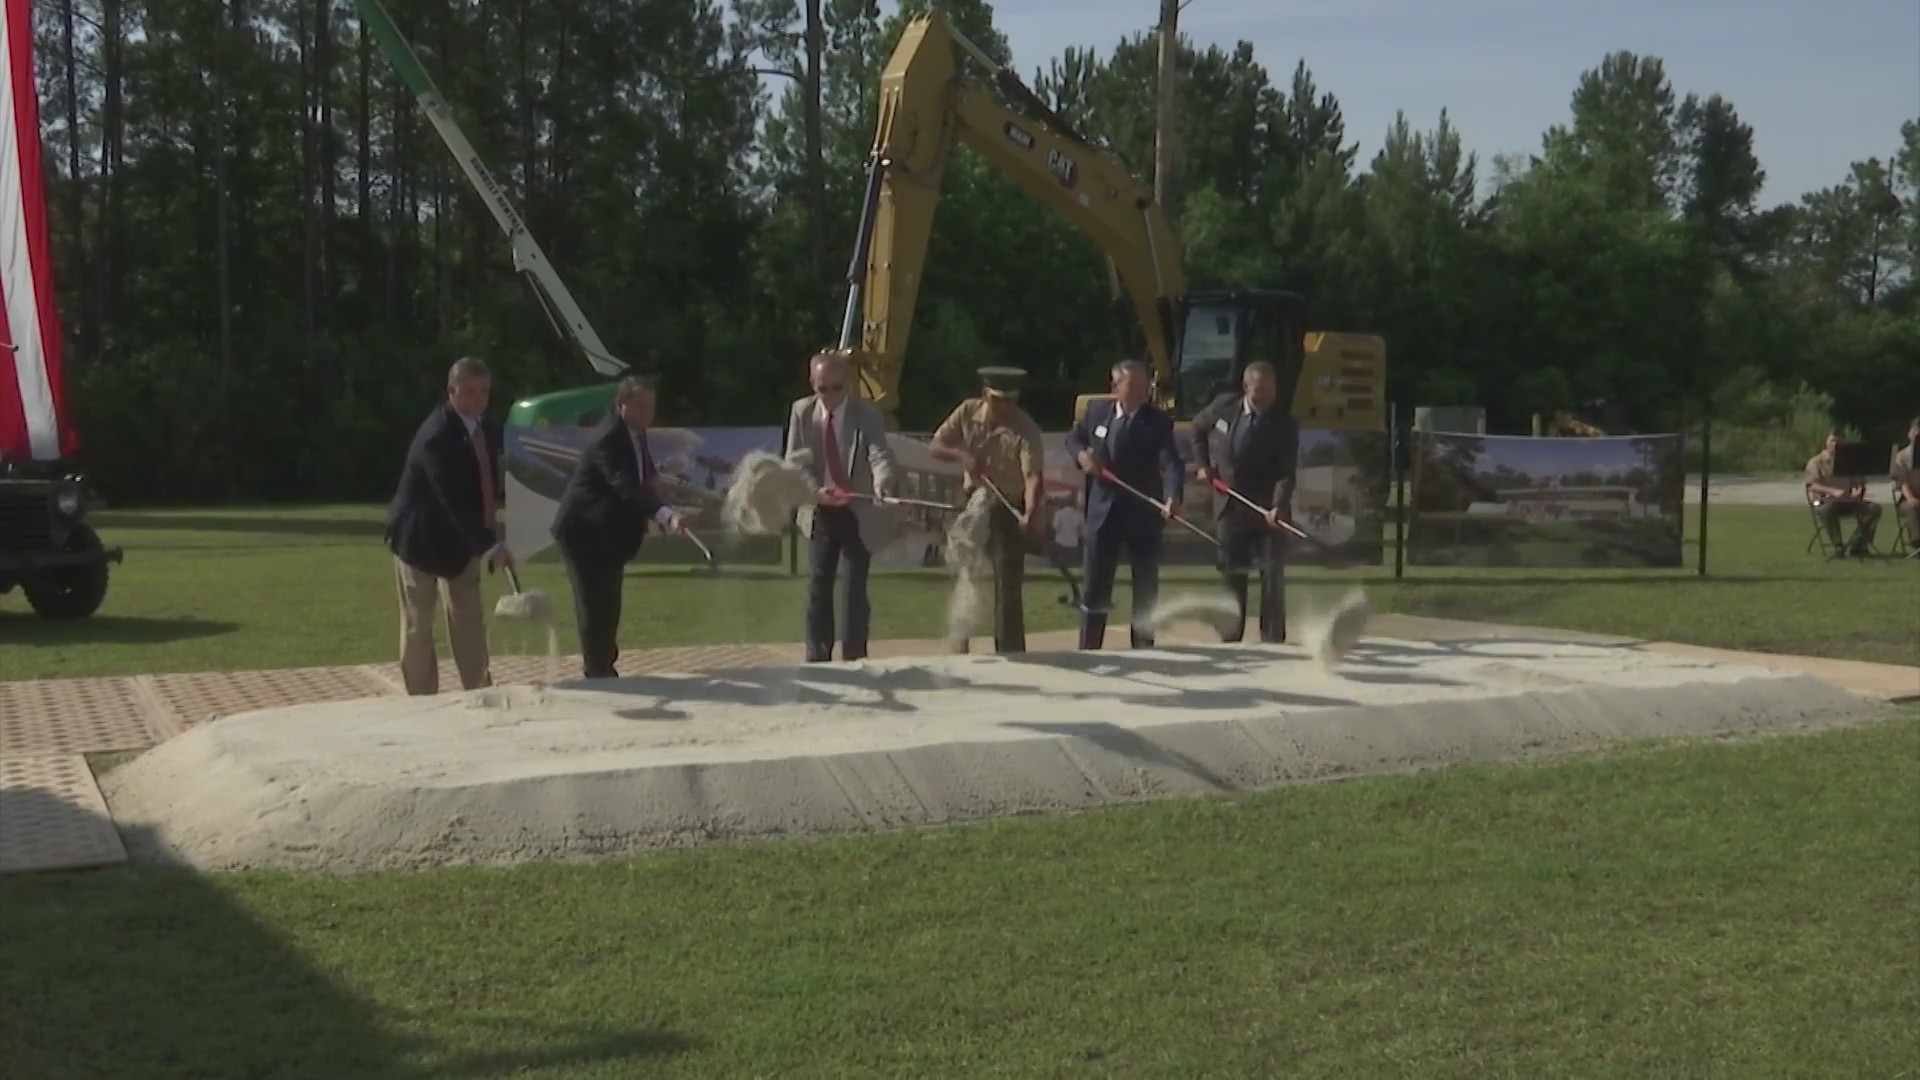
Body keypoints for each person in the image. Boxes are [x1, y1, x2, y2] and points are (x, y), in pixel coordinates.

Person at [383, 356, 514, 695]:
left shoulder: (488, 426)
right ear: (452, 391)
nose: (478, 399)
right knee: (418, 627)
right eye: (469, 392)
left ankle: (480, 691)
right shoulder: (436, 436)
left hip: (462, 544)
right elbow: (451, 501)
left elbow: (507, 470)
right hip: (420, 541)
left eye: (484, 391)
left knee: (469, 621)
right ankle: (422, 700)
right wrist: (490, 545)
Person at [550, 375, 690, 679]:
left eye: (651, 407)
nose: (647, 413)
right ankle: (597, 672)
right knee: (594, 605)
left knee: (609, 604)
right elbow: (626, 486)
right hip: (582, 533)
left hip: (608, 537)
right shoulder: (609, 437)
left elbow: (644, 475)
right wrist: (666, 515)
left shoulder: (636, 434)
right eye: (640, 406)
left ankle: (604, 665)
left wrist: (659, 493)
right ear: (621, 404)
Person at [785, 350, 899, 662]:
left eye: (837, 387)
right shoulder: (801, 412)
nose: (831, 395)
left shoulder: (867, 414)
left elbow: (879, 453)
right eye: (823, 388)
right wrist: (814, 491)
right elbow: (794, 463)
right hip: (820, 508)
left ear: (847, 383)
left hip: (857, 511)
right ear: (813, 384)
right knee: (819, 583)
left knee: (854, 587)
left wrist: (883, 481)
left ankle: (854, 654)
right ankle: (817, 653)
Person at [1065, 359, 1184, 650]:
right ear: (1116, 386)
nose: (1141, 392)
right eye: (1133, 386)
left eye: (1145, 387)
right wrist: (1082, 456)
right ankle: (1089, 650)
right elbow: (1074, 438)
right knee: (1094, 588)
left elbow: (1171, 463)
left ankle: (1143, 648)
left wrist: (1172, 495)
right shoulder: (1097, 412)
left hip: (1142, 516)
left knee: (1145, 588)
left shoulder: (1157, 422)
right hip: (1102, 513)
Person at [929, 366, 1046, 653]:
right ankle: (959, 644)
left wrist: (1030, 511)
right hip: (972, 503)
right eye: (998, 400)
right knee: (964, 574)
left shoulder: (1026, 427)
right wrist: (961, 455)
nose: (1005, 407)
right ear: (985, 395)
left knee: (1007, 582)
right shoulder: (968, 411)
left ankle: (1010, 651)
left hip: (1007, 508)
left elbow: (1032, 476)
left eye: (1011, 401)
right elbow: (936, 445)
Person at [1190, 361, 1300, 644]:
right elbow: (1197, 429)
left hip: (1267, 511)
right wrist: (1203, 465)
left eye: (1271, 389)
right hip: (1229, 506)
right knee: (1231, 575)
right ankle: (1231, 639)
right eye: (1261, 389)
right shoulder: (1224, 407)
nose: (1267, 395)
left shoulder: (1285, 423)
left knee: (1271, 577)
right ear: (1246, 387)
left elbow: (1286, 471)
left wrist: (1278, 505)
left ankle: (1273, 640)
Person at [1804, 427, 1881, 557]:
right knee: (1828, 508)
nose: (1836, 444)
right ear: (1826, 441)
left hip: (1847, 501)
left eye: (1839, 441)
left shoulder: (1850, 461)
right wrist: (1832, 491)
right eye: (1833, 440)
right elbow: (1812, 485)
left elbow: (1860, 483)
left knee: (1874, 508)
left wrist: (1859, 491)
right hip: (1821, 501)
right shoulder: (1816, 462)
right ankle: (1838, 546)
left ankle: (1858, 544)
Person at [1893, 415, 1919, 556]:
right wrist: (1911, 498)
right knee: (1912, 507)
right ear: (1909, 434)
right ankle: (1917, 541)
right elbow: (1903, 482)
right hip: (1907, 498)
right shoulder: (1902, 457)